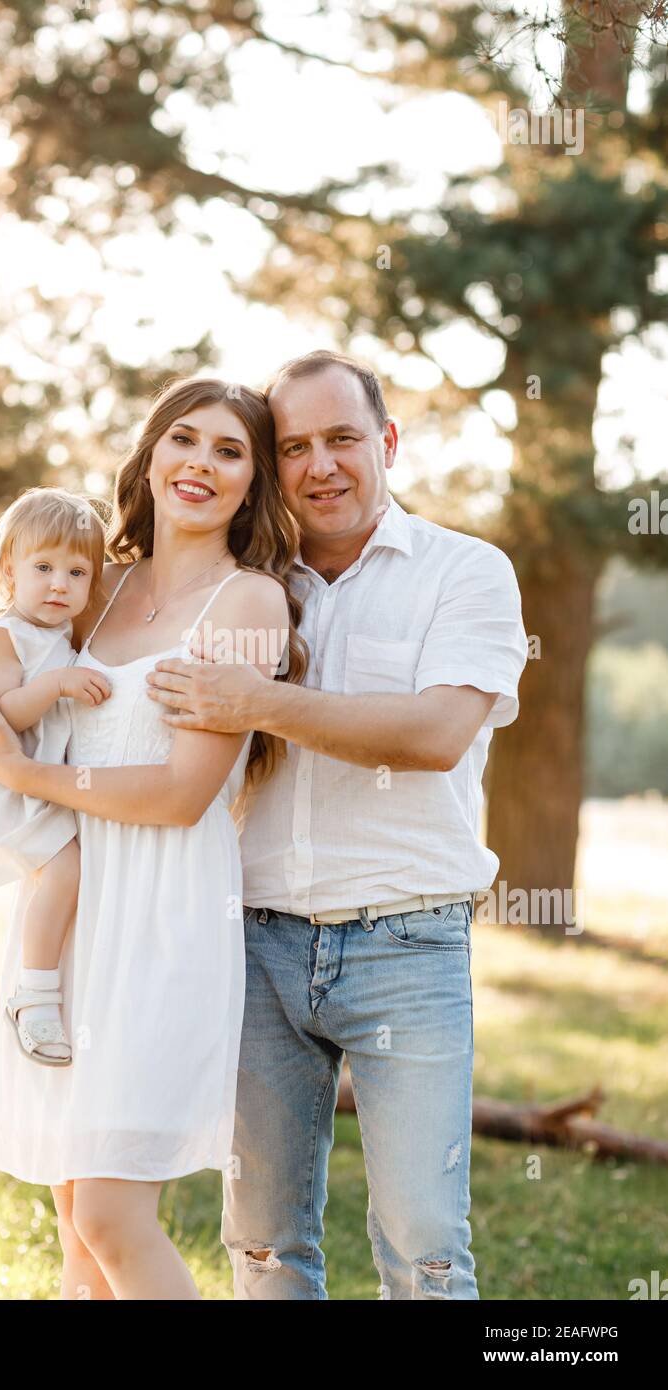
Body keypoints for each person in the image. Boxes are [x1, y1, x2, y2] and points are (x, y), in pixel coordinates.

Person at [145, 349, 529, 1299]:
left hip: (409, 942)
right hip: (256, 939)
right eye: (296, 446)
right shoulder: (241, 586)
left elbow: (437, 733)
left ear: (387, 442)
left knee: (426, 1247)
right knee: (266, 1244)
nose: (320, 465)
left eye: (343, 439)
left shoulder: (467, 573)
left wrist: (255, 701)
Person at [0, 377, 308, 1300]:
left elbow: (183, 794)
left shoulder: (249, 605)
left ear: (253, 481)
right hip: (68, 915)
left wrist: (25, 776)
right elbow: (0, 679)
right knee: (75, 1221)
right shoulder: (94, 589)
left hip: (162, 917)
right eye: (183, 440)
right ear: (150, 455)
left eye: (229, 451)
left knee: (113, 1216)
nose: (200, 463)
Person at [0, 486, 108, 1064]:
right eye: (43, 567)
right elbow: (0, 714)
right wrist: (57, 686)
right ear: (9, 568)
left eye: (77, 571)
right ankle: (34, 995)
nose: (60, 583)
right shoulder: (0, 636)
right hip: (8, 789)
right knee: (65, 871)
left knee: (65, 878)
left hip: (44, 783)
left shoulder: (61, 636)